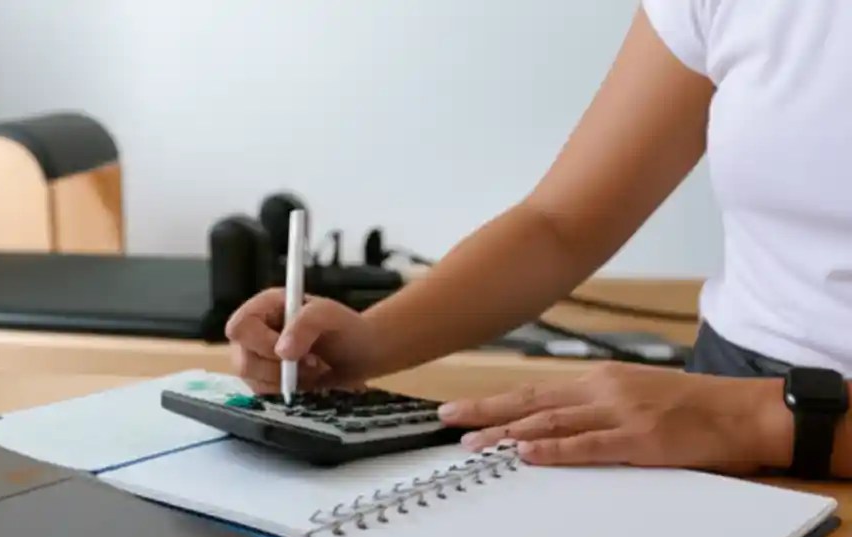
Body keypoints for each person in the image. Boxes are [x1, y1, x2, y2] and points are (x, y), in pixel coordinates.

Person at [225, 1, 852, 480]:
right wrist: (367, 341)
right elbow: (560, 224)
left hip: (760, 422)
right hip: (720, 393)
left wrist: (754, 420)